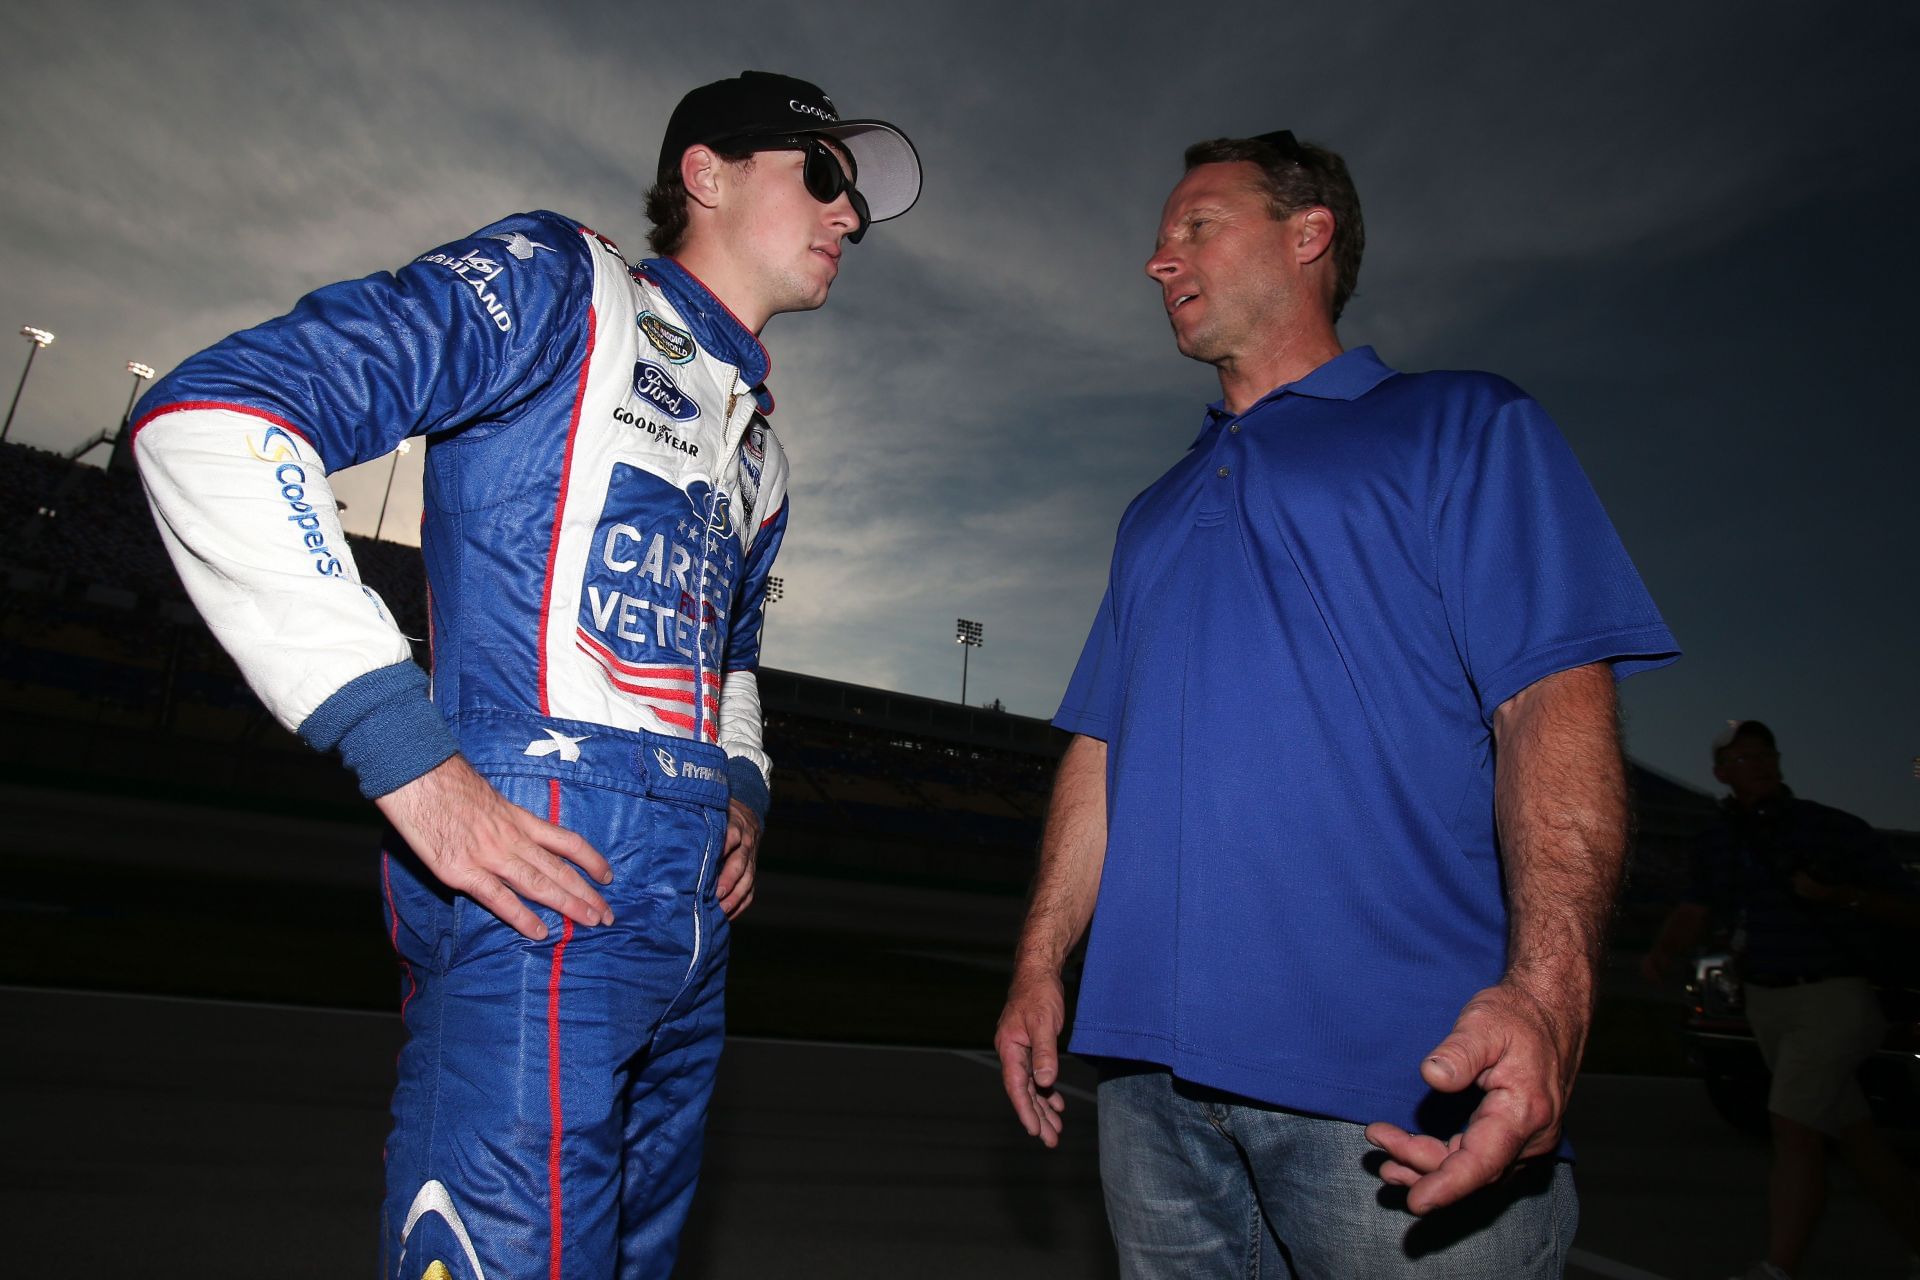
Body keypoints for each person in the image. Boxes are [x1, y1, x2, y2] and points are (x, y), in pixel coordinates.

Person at [131, 70, 919, 1279]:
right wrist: (411, 755)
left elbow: (735, 654)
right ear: (703, 175)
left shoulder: (759, 444)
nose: (851, 214)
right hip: (535, 848)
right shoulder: (566, 282)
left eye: (856, 197)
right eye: (823, 175)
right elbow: (215, 417)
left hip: (691, 901)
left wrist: (743, 788)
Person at [993, 129, 1679, 1277]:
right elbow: (1100, 749)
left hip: (1397, 1089)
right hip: (1151, 1092)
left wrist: (1551, 995)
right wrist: (1038, 961)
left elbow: (1546, 708)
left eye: (1195, 227)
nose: (1160, 260)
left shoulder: (1463, 425)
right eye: (1160, 240)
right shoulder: (1152, 510)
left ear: (1308, 235)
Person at [1643, 720, 1920, 1280]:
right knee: (1859, 1141)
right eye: (1744, 758)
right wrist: (1662, 954)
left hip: (1832, 999)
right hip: (1767, 1003)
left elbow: (1908, 909)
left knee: (1791, 1128)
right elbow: (1697, 909)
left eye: (1765, 753)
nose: (1760, 764)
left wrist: (1841, 896)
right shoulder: (1720, 840)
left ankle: (1778, 1269)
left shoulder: (1831, 829)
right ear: (1722, 773)